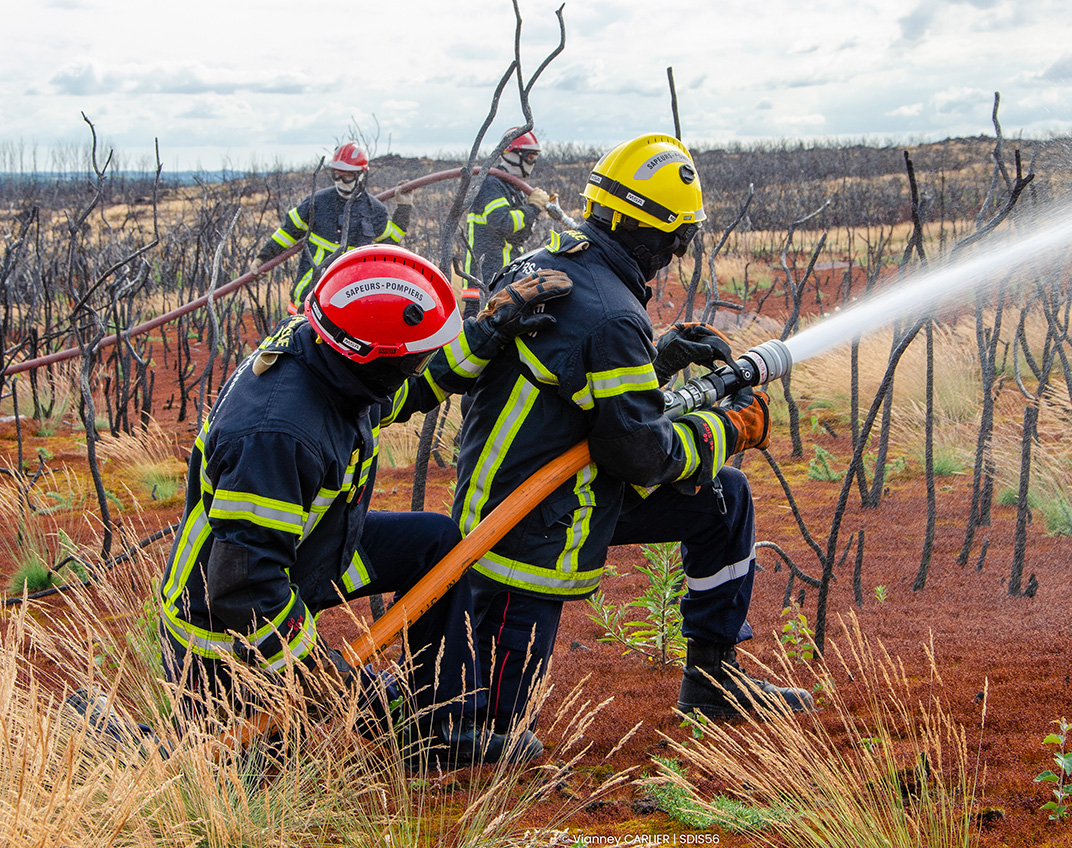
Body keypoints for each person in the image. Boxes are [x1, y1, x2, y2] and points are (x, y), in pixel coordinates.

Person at [451, 133, 814, 744]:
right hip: (529, 523)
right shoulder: (613, 312)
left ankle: (713, 679)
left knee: (723, 500)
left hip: (541, 489)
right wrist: (729, 427)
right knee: (498, 737)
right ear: (640, 230)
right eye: (676, 237)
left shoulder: (550, 266)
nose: (676, 252)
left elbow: (581, 384)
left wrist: (660, 358)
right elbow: (643, 455)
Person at [160, 243, 571, 767]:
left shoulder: (332, 357)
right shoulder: (278, 434)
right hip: (223, 632)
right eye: (412, 359)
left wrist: (488, 330)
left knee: (434, 543)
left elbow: (406, 389)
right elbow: (243, 584)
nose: (419, 367)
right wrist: (321, 674)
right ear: (374, 361)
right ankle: (125, 734)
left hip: (312, 550)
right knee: (259, 773)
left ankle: (438, 727)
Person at [250, 142, 414, 309]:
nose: (340, 181)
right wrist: (263, 258)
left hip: (347, 298)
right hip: (306, 296)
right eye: (337, 174)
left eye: (347, 175)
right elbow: (287, 232)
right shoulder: (317, 201)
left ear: (361, 174)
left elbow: (390, 241)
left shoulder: (374, 209)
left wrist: (404, 208)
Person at [461, 128, 552, 287]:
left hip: (503, 278)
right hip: (485, 279)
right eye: (530, 157)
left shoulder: (512, 189)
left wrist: (531, 211)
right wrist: (533, 207)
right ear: (513, 155)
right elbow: (502, 224)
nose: (532, 163)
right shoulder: (491, 185)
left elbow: (520, 235)